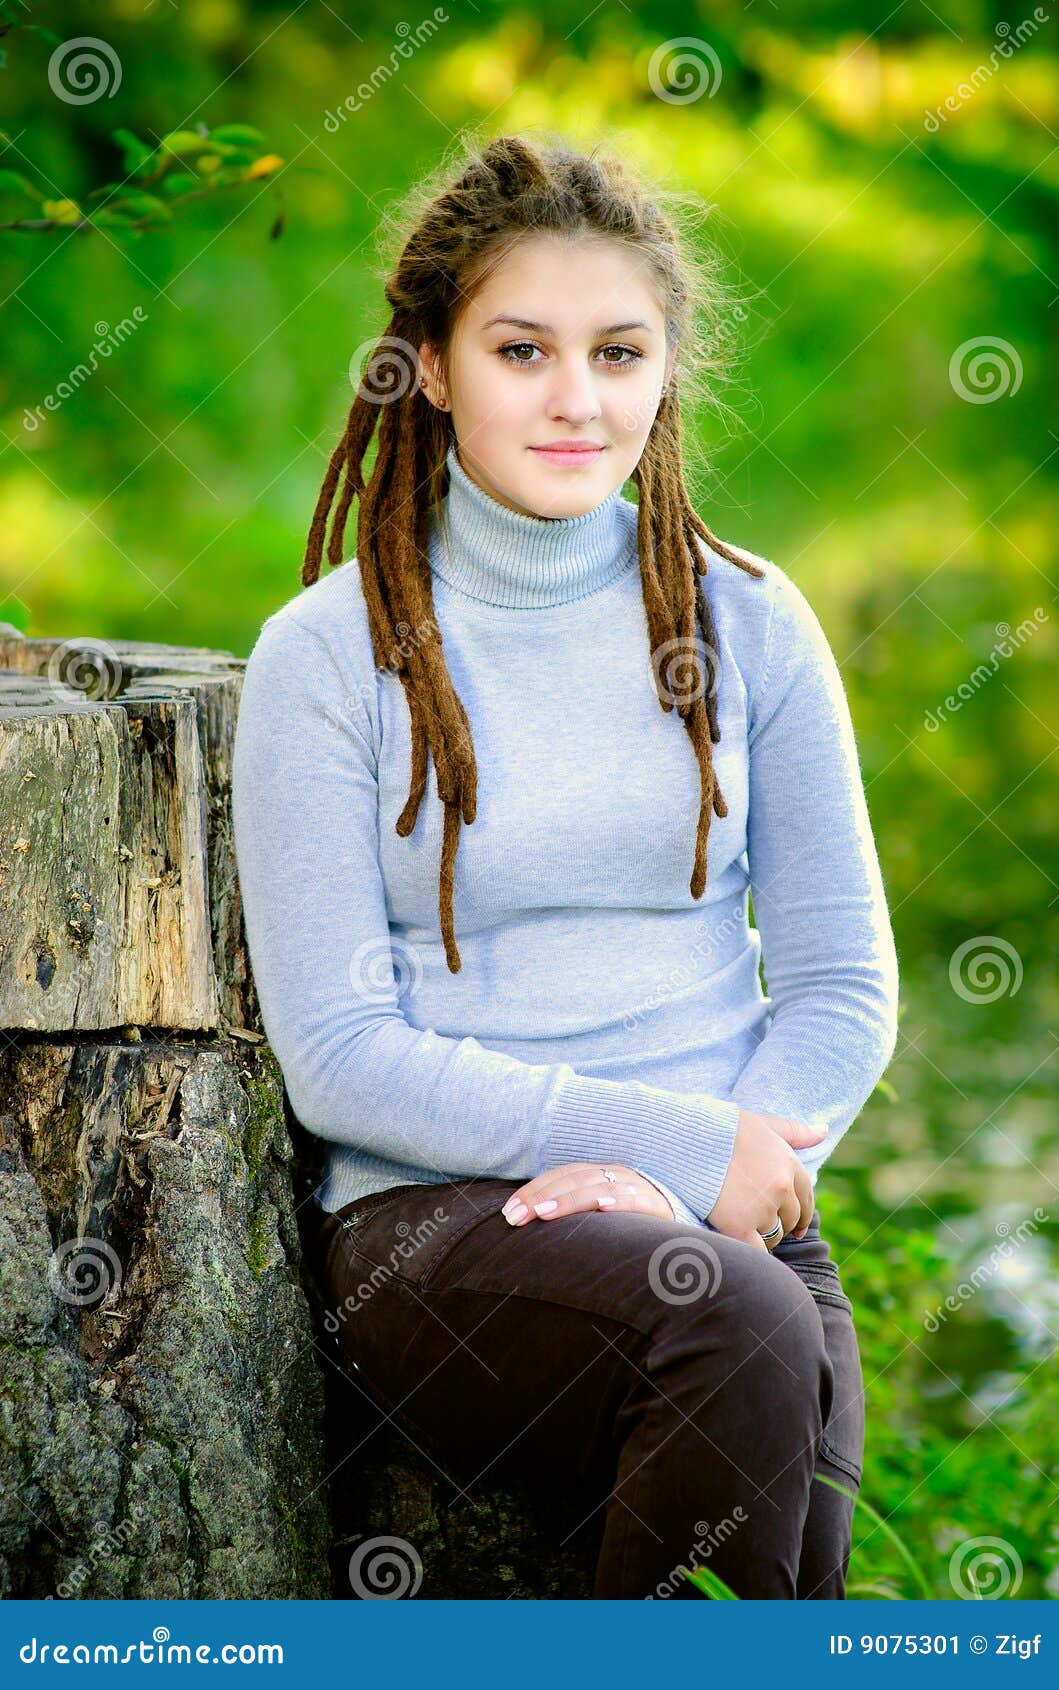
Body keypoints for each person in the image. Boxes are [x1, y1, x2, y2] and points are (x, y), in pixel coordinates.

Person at [230, 131, 899, 1599]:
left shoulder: (755, 623)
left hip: (729, 1217)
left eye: (618, 350)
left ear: (667, 371)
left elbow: (844, 984)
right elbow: (339, 1057)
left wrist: (719, 1161)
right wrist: (657, 1149)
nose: (576, 397)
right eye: (522, 349)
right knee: (740, 1331)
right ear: (429, 362)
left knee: (787, 1444)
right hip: (435, 1226)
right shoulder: (325, 658)